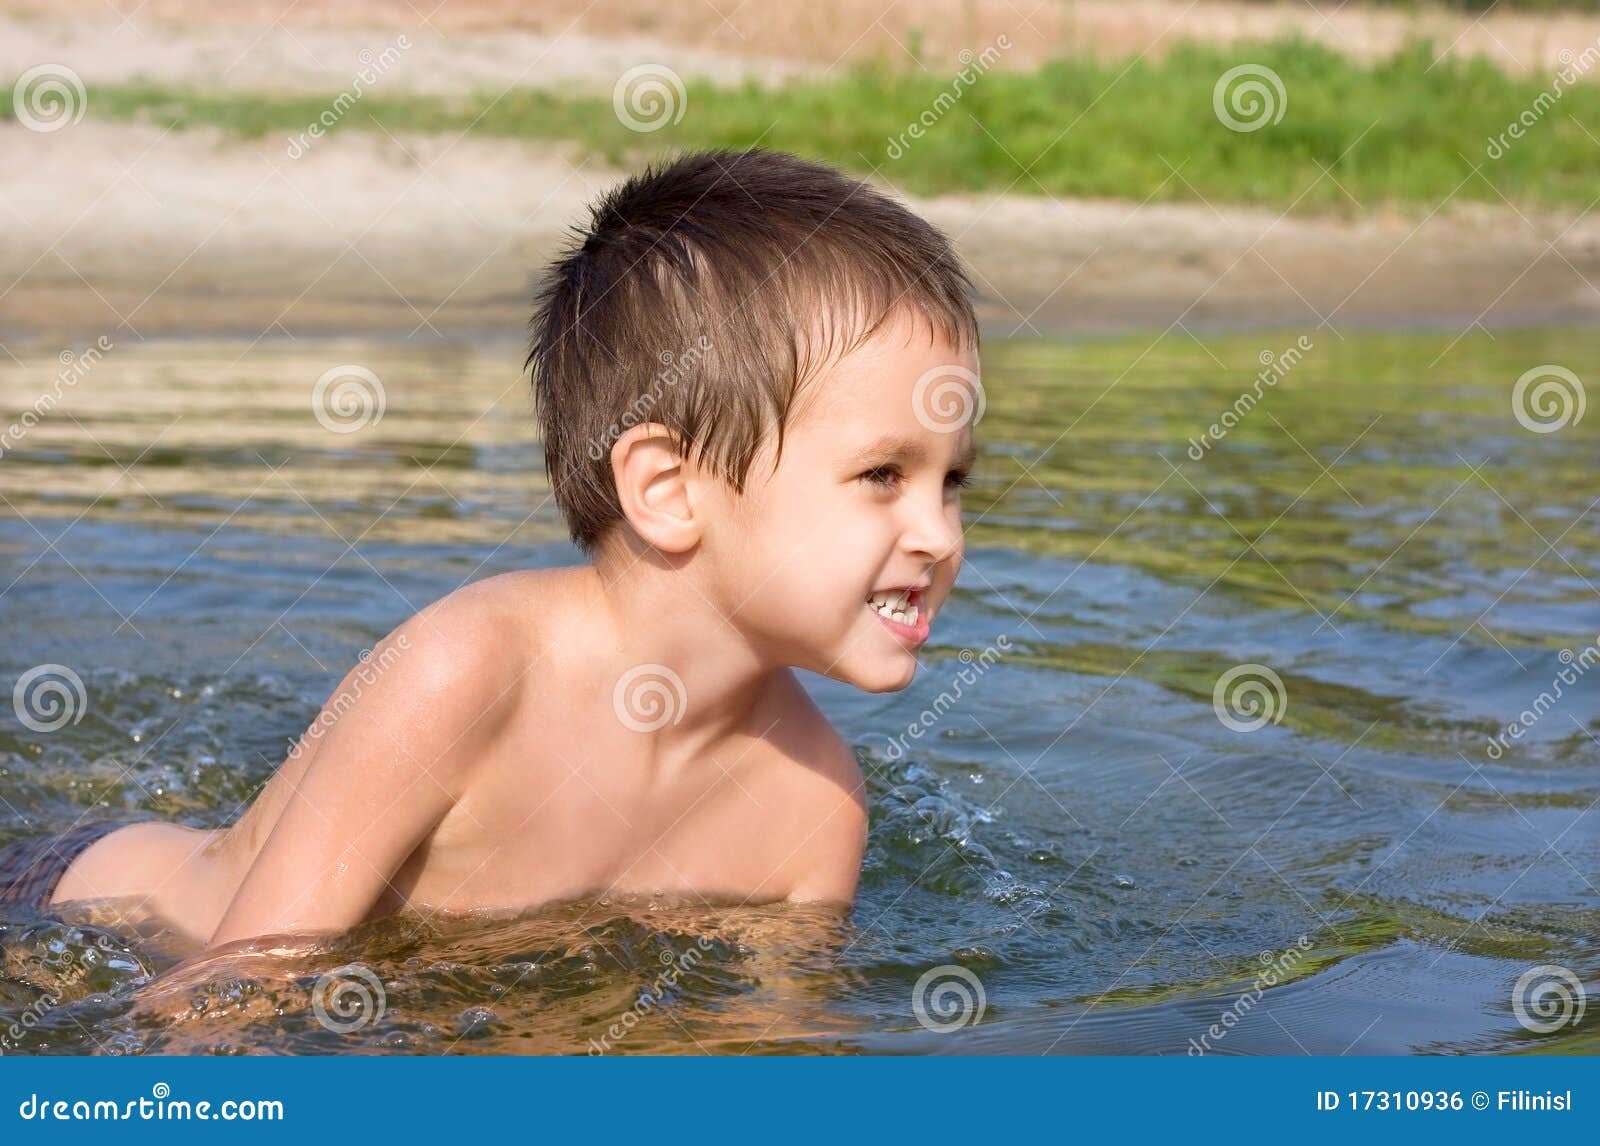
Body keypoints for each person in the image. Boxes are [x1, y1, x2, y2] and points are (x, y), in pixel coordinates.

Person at [9, 148, 983, 954]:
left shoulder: (814, 810)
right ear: (666, 489)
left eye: (952, 482)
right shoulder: (469, 671)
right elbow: (232, 999)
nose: (938, 535)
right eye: (881, 477)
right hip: (85, 915)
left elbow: (768, 1069)